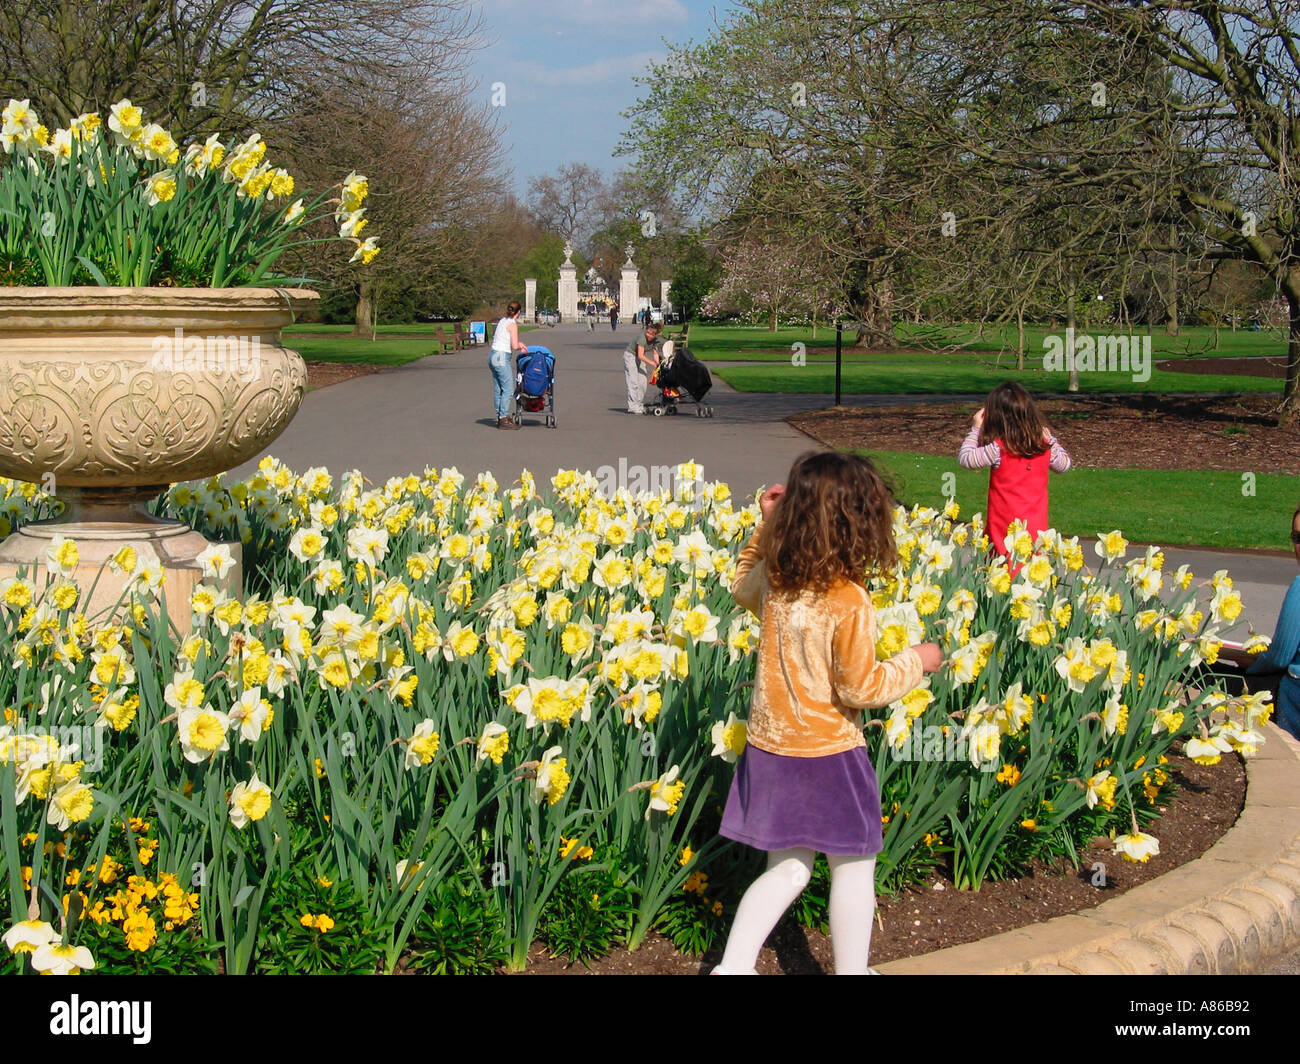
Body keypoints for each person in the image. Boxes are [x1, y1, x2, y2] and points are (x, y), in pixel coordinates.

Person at [713, 452, 943, 976]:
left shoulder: (777, 579)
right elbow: (860, 688)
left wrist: (765, 528)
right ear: (861, 524)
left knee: (789, 870)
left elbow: (739, 584)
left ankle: (733, 969)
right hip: (829, 756)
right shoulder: (849, 599)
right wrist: (917, 661)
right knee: (855, 866)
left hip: (771, 751)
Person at [958, 381, 1071, 559]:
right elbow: (1065, 465)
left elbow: (966, 459)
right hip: (1035, 533)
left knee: (1001, 578)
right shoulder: (1043, 448)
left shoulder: (998, 449)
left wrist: (975, 428)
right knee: (1029, 576)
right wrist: (1051, 441)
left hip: (1003, 532)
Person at [1222, 505, 1300, 741]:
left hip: (1293, 697)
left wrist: (1248, 662)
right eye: (1297, 537)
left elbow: (1279, 657)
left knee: (1200, 675)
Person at [489, 300, 526, 430]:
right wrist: (520, 346)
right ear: (519, 312)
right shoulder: (512, 324)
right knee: (508, 389)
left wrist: (518, 344)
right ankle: (503, 418)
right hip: (501, 357)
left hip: (493, 355)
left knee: (498, 388)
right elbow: (514, 345)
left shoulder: (502, 321)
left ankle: (501, 416)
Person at [623, 321, 663, 414]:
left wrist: (658, 365)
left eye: (651, 334)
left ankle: (638, 403)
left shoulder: (656, 341)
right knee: (633, 382)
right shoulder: (642, 338)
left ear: (655, 335)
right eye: (647, 332)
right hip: (630, 356)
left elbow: (655, 354)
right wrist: (652, 363)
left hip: (639, 358)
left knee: (642, 382)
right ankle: (633, 406)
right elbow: (640, 355)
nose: (648, 335)